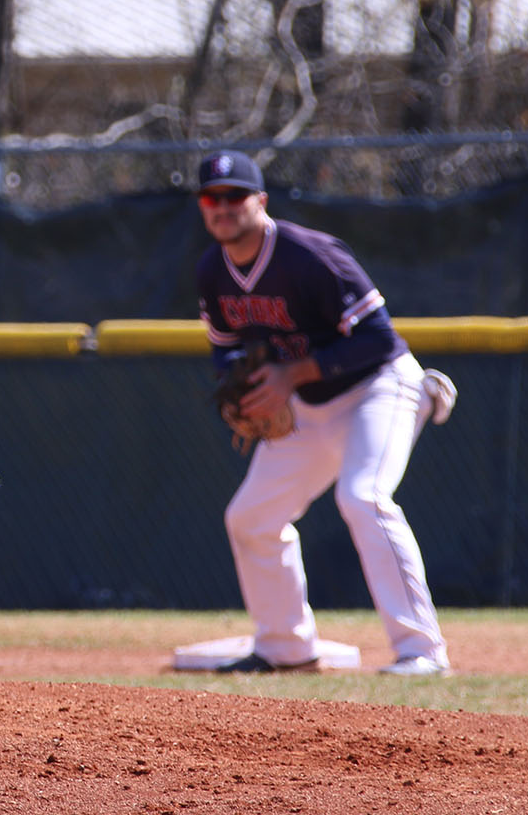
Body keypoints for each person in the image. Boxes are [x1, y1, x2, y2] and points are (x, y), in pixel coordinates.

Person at [193, 151, 456, 677]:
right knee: (251, 518)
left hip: (378, 387)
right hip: (308, 408)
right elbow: (225, 349)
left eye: (234, 197)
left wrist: (290, 375)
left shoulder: (311, 255)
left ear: (260, 201)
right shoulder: (211, 273)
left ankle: (422, 651)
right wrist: (240, 389)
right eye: (210, 199)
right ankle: (284, 647)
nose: (222, 208)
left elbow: (380, 338)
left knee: (363, 496)